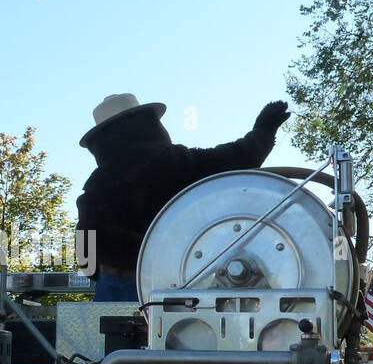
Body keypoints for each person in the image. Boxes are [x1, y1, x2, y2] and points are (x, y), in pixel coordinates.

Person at [76, 94, 290, 301]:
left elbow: (85, 255)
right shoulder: (179, 161)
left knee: (108, 337)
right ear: (147, 124)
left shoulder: (95, 185)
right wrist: (263, 129)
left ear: (100, 141)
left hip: (117, 286)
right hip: (181, 279)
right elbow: (241, 156)